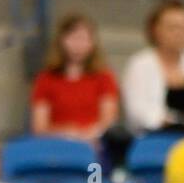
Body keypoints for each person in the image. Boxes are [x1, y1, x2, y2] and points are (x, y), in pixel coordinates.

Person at [121, 0, 184, 136]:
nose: (179, 33)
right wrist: (168, 122)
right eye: (173, 27)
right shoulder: (139, 65)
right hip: (152, 139)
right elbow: (136, 113)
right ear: (156, 30)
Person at [29, 12, 120, 148]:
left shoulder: (104, 77)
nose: (78, 45)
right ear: (61, 40)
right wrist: (66, 132)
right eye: (73, 38)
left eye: (84, 39)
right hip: (57, 145)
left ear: (92, 43)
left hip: (94, 145)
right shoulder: (45, 79)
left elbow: (109, 120)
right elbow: (39, 127)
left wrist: (89, 134)